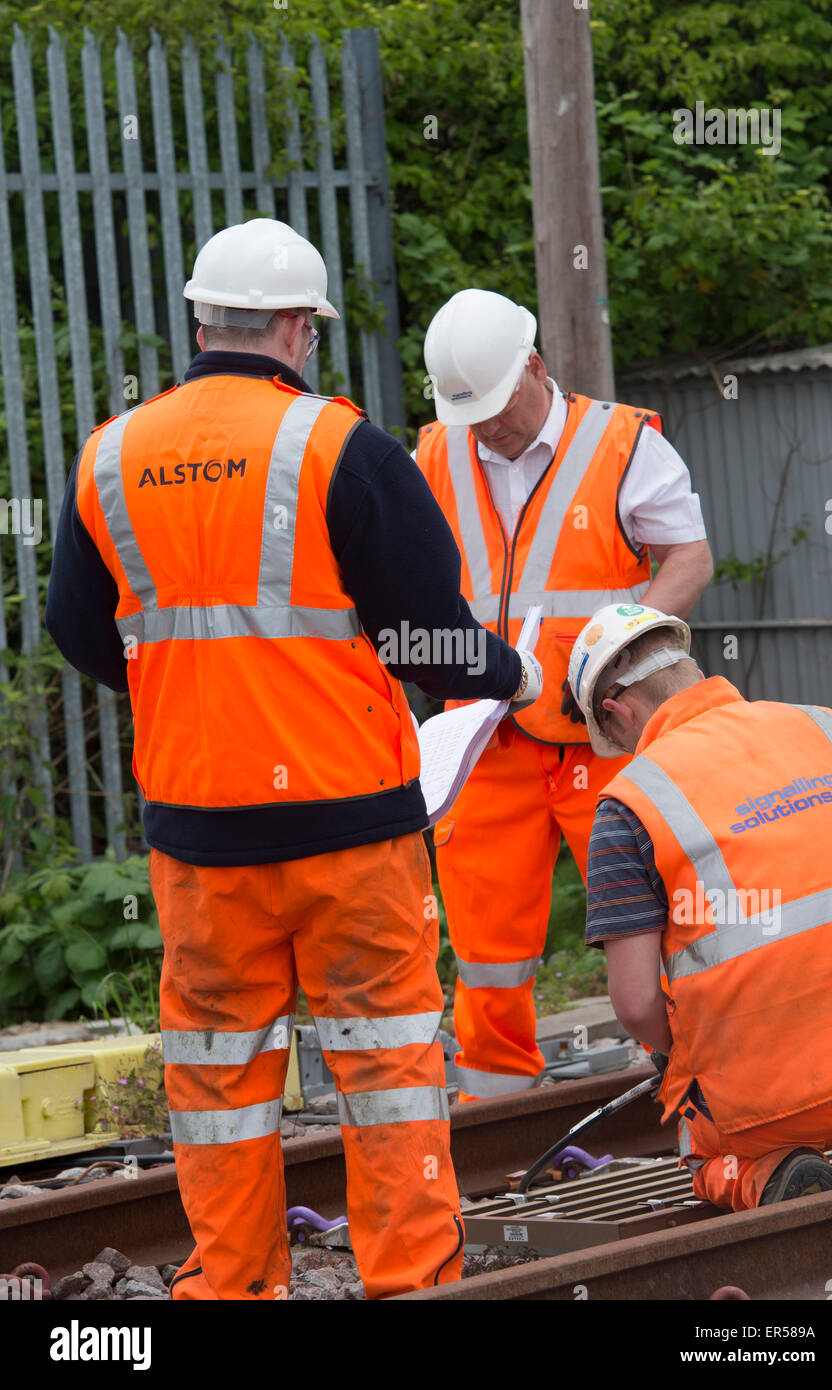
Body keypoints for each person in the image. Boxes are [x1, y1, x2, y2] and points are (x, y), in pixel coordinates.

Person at [44, 219, 542, 1299]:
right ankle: (410, 1281)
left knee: (217, 1078)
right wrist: (512, 673)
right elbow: (425, 635)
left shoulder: (110, 456)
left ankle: (232, 1285)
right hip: (350, 831)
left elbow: (85, 635)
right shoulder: (338, 447)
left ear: (197, 319)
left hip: (197, 836)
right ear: (293, 329)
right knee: (388, 1067)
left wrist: (200, 693)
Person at [414, 288, 713, 1102]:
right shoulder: (433, 453)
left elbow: (687, 557)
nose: (483, 429)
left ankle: (701, 1088)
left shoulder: (620, 442)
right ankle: (494, 1110)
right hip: (484, 739)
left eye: (495, 407)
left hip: (604, 734)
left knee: (663, 923)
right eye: (465, 413)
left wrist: (622, 647)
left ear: (534, 369)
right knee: (485, 946)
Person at [568, 602, 832, 1209]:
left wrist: (684, 1062)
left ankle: (769, 1175)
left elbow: (635, 1003)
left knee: (703, 1148)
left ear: (615, 711)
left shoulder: (629, 803)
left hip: (769, 1103)